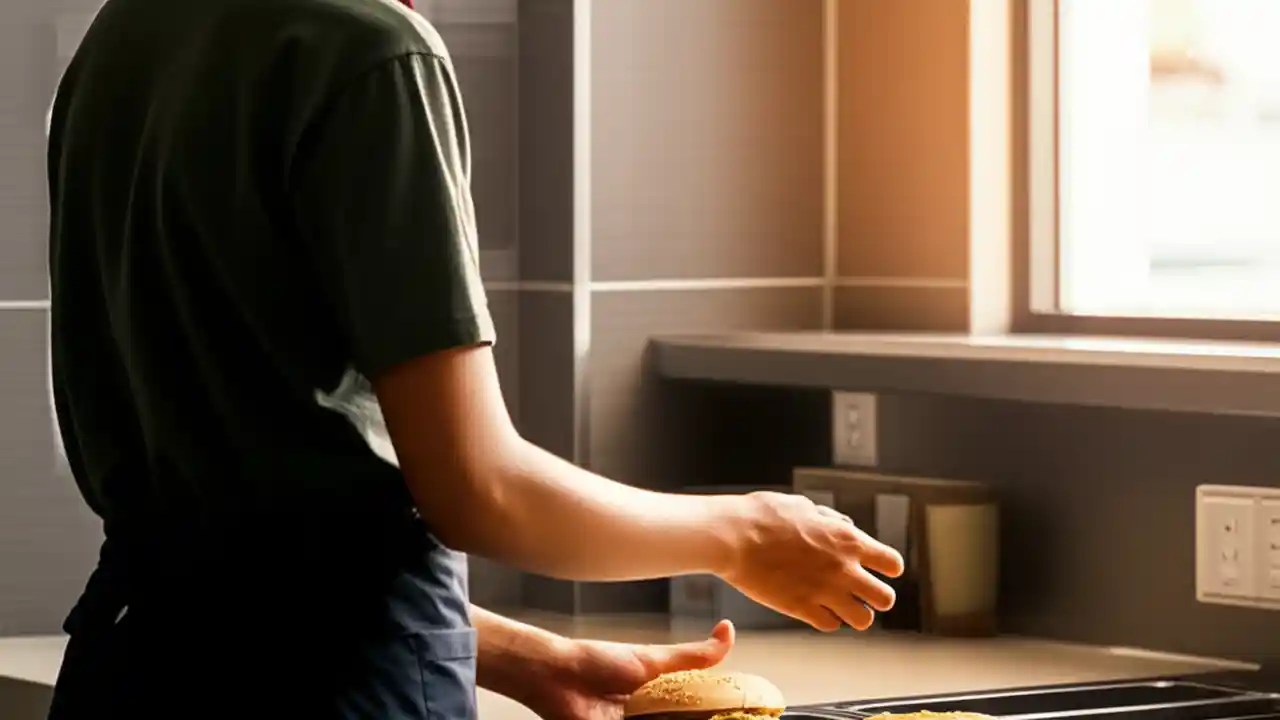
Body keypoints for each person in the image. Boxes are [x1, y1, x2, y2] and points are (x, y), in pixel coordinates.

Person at [44, 0, 904, 717]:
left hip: (130, 665)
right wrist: (741, 533)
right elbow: (476, 489)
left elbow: (242, 542)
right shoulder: (371, 49)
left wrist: (533, 657)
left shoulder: (125, 36)